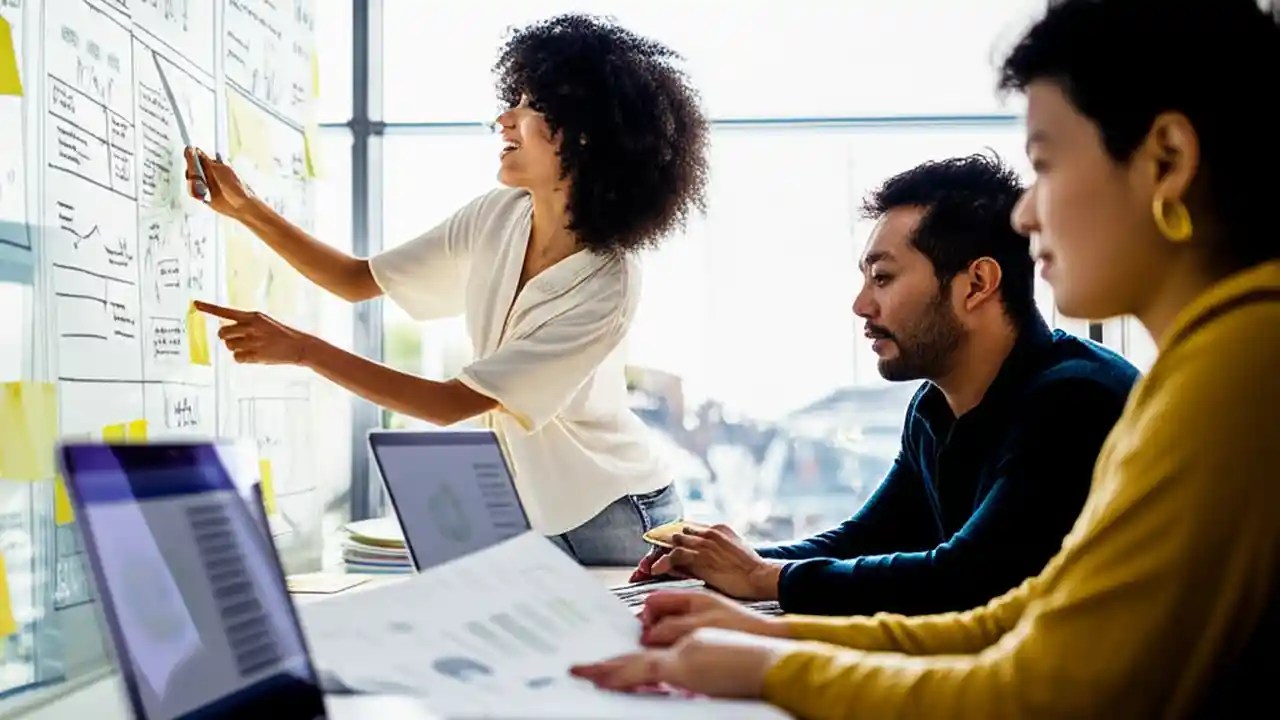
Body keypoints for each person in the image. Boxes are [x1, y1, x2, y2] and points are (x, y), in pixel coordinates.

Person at [571, 1, 1280, 717]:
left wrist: (769, 658)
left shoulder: (1223, 374)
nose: (1027, 214)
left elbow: (1034, 668)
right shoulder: (1211, 360)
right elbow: (1013, 615)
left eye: (1046, 164)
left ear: (1167, 161)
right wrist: (761, 621)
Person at [187, 14, 710, 565]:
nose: (504, 119)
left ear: (583, 133)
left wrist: (303, 350)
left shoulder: (609, 282)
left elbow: (448, 404)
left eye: (529, 108)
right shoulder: (498, 215)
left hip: (619, 513)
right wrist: (247, 210)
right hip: (536, 505)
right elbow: (355, 280)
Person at [632, 154, 1138, 617]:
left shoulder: (1073, 403)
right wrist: (720, 564)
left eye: (883, 278)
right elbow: (866, 540)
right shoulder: (934, 406)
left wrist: (761, 576)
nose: (861, 306)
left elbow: (968, 579)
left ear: (977, 285)